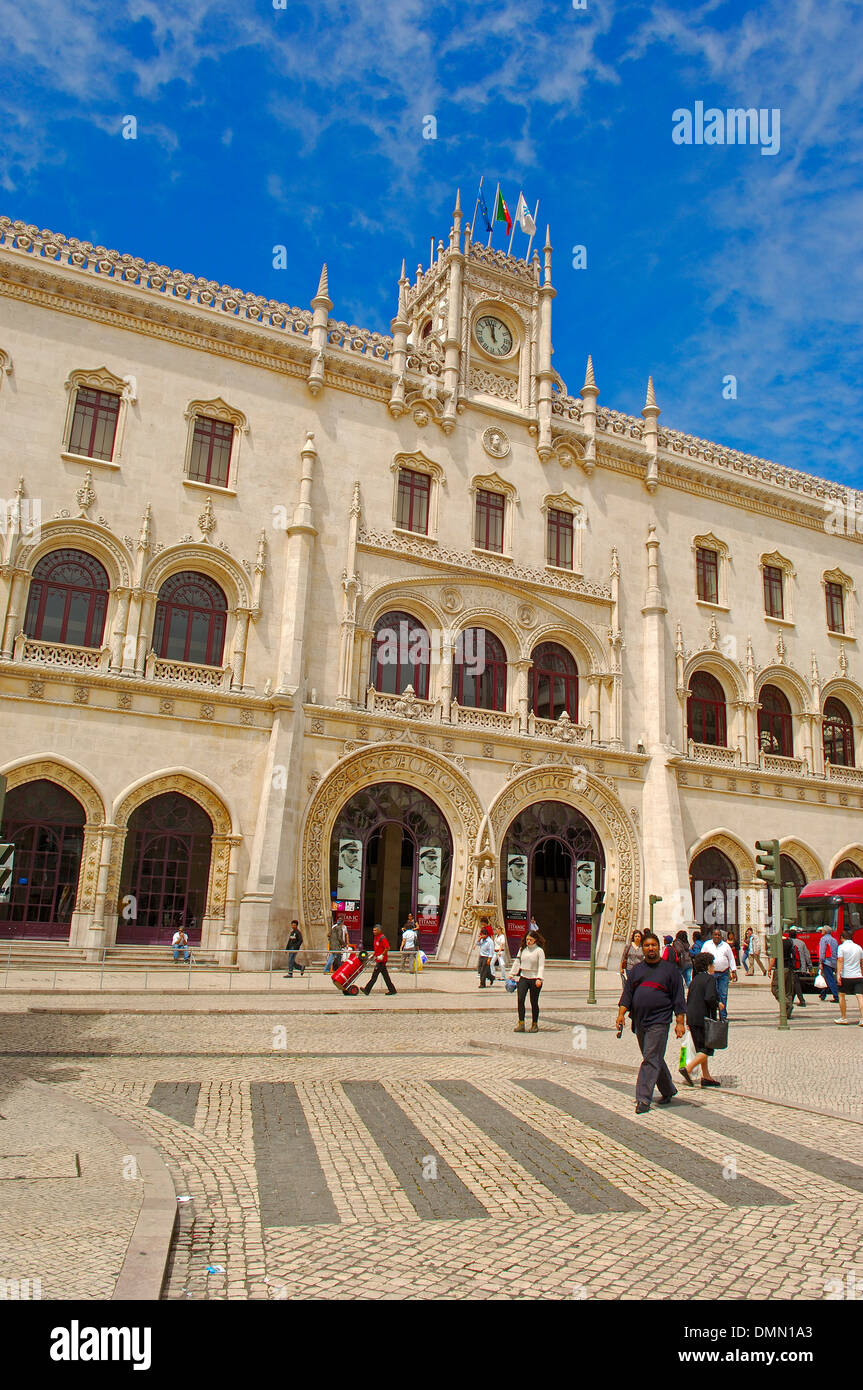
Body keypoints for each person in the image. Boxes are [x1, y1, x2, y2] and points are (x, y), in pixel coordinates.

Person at [615, 931, 686, 1114]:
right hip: (640, 1020)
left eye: (653, 945)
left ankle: (643, 1098)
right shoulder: (637, 970)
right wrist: (621, 1014)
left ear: (658, 947)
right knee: (653, 1056)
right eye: (647, 946)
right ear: (643, 949)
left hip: (660, 1021)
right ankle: (668, 1089)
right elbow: (628, 994)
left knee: (650, 1057)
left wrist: (680, 1022)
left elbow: (678, 998)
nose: (650, 948)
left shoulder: (670, 970)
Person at [678, 952, 721, 1088]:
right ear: (708, 966)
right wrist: (718, 1004)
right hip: (704, 1018)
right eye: (712, 964)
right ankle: (688, 1069)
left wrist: (687, 1020)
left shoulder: (694, 980)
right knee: (707, 1049)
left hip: (692, 1018)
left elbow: (689, 999)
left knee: (701, 1048)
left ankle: (706, 1076)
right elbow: (709, 998)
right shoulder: (710, 979)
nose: (714, 966)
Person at [509, 927, 545, 1032]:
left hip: (534, 978)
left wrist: (539, 978)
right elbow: (517, 962)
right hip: (523, 977)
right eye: (527, 939)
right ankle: (521, 1023)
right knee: (520, 999)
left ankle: (534, 1024)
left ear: (535, 940)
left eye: (530, 940)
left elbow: (541, 966)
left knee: (534, 1001)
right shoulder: (522, 949)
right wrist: (512, 974)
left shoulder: (539, 951)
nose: (528, 942)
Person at [699, 925, 737, 1019]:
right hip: (711, 974)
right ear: (712, 935)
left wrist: (733, 970)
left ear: (721, 936)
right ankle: (713, 1015)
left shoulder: (726, 946)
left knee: (723, 994)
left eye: (719, 935)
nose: (717, 936)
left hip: (723, 973)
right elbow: (701, 957)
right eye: (715, 934)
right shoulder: (707, 945)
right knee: (712, 995)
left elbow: (731, 958)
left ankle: (723, 1015)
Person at [835, 925, 863, 1025]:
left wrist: (838, 974)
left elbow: (840, 961)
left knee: (841, 995)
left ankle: (843, 1017)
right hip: (858, 976)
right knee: (860, 997)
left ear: (842, 938)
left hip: (846, 976)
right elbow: (861, 962)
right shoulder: (858, 947)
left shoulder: (841, 947)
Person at [362, 924, 397, 996]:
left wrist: (382, 955)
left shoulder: (382, 938)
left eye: (375, 930)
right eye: (373, 930)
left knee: (374, 976)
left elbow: (387, 948)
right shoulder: (375, 938)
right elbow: (377, 948)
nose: (373, 931)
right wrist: (373, 955)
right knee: (386, 976)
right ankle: (392, 990)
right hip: (378, 959)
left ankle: (367, 990)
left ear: (379, 931)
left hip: (382, 960)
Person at [769, 930, 795, 1019]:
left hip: (780, 968)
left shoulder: (777, 942)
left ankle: (787, 1004)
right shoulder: (789, 941)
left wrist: (769, 968)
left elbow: (773, 957)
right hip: (789, 967)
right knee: (787, 990)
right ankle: (787, 1012)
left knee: (775, 988)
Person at [787, 928, 810, 1007]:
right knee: (795, 982)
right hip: (801, 966)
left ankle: (802, 1000)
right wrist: (809, 966)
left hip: (792, 966)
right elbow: (807, 955)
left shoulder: (788, 943)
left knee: (796, 983)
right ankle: (791, 1000)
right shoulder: (802, 943)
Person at [818, 924, 840, 1004]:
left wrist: (821, 962)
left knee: (829, 979)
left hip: (826, 961)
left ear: (825, 931)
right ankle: (823, 994)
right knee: (827, 977)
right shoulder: (834, 940)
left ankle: (836, 996)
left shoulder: (823, 939)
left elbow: (822, 951)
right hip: (833, 961)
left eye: (822, 930)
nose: (821, 931)